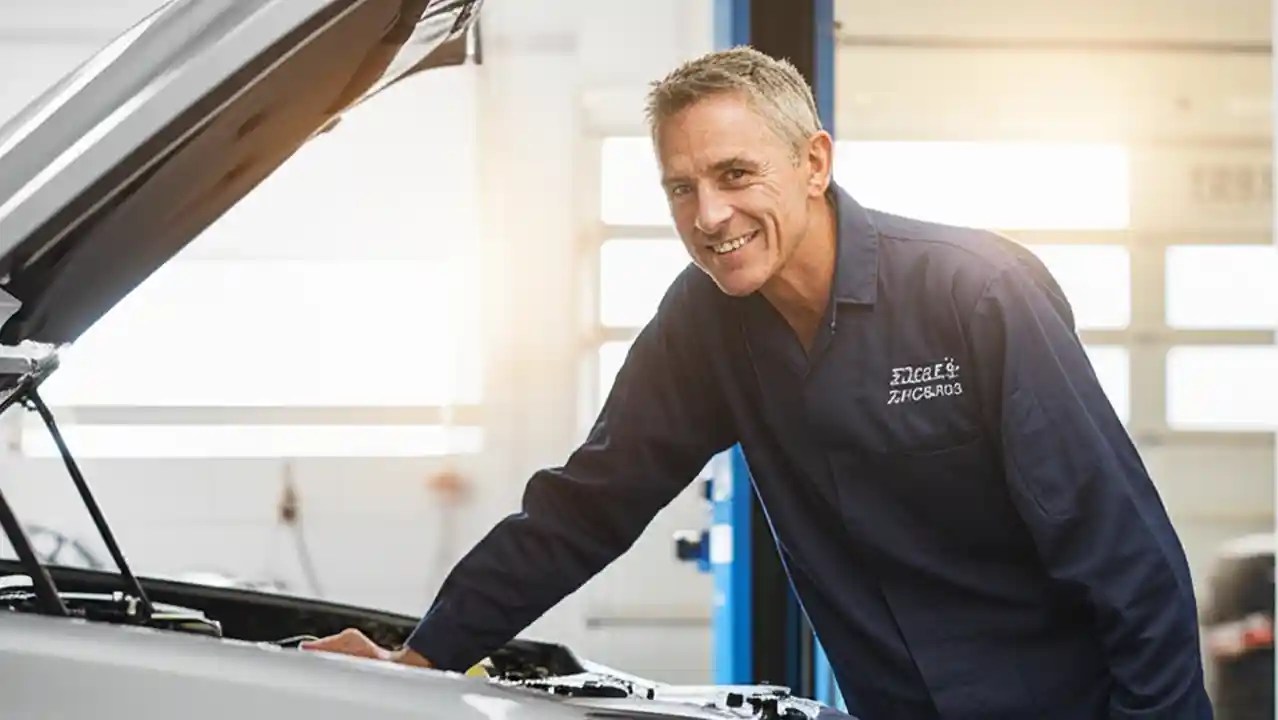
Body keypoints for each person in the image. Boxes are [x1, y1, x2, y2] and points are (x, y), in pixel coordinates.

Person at [303, 46, 1212, 719]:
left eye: (736, 175)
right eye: (680, 188)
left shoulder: (975, 294)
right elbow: (587, 506)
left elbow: (1128, 563)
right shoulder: (704, 325)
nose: (709, 216)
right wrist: (424, 658)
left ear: (813, 163)